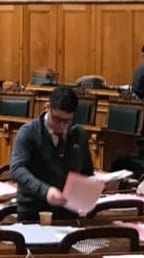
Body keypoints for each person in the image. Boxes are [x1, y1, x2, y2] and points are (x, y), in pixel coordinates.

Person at [9, 85, 93, 222]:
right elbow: (17, 169)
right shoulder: (29, 132)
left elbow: (86, 171)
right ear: (47, 107)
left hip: (68, 212)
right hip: (33, 210)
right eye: (57, 119)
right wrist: (45, 191)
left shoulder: (79, 134)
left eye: (67, 121)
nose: (61, 125)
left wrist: (97, 185)